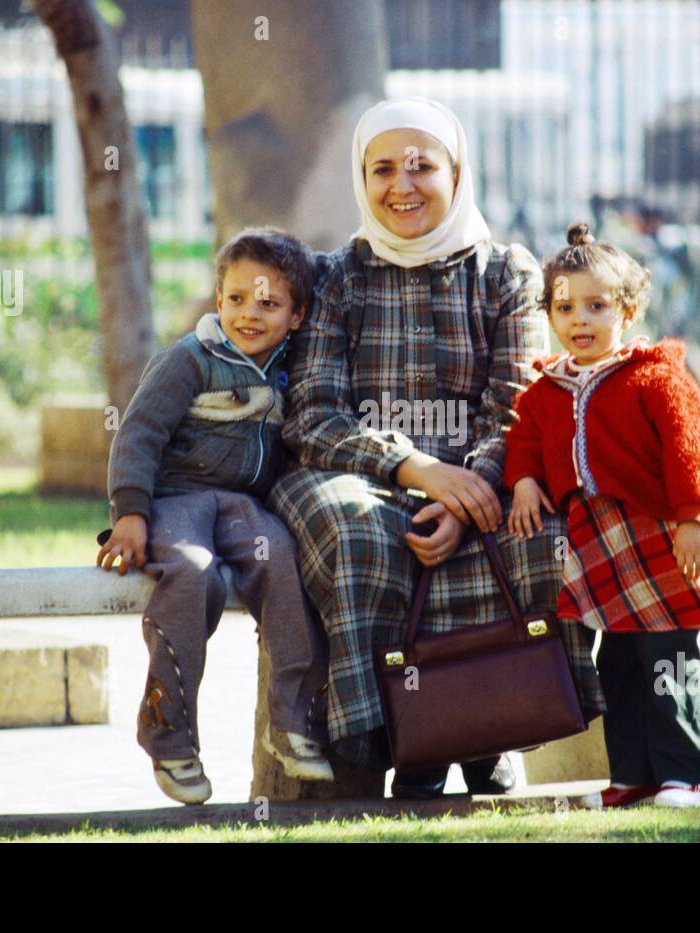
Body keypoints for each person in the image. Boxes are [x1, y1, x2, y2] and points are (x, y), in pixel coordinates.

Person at [268, 98, 604, 798]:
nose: (403, 185)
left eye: (422, 166)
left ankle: (483, 731)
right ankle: (391, 740)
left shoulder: (505, 273)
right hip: (356, 468)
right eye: (383, 168)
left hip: (484, 467)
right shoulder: (336, 277)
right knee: (361, 535)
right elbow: (313, 417)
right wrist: (417, 469)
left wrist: (468, 489)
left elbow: (517, 404)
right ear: (362, 180)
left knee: (536, 530)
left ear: (457, 172)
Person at [503, 222, 700, 809]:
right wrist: (525, 482)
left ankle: (683, 773)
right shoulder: (546, 391)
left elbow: (689, 448)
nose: (579, 320)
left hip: (658, 541)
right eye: (565, 307)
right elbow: (525, 443)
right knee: (619, 668)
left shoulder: (655, 378)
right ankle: (632, 773)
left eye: (596, 305)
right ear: (550, 315)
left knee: (668, 661)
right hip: (598, 547)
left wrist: (693, 518)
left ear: (628, 311)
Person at [96, 228, 333, 804]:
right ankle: (169, 733)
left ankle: (293, 722)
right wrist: (131, 514)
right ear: (218, 298)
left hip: (243, 509)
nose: (249, 314)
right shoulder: (190, 359)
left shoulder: (294, 366)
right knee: (193, 572)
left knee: (281, 559)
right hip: (175, 503)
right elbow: (138, 435)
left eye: (269, 303)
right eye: (236, 299)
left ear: (297, 315)